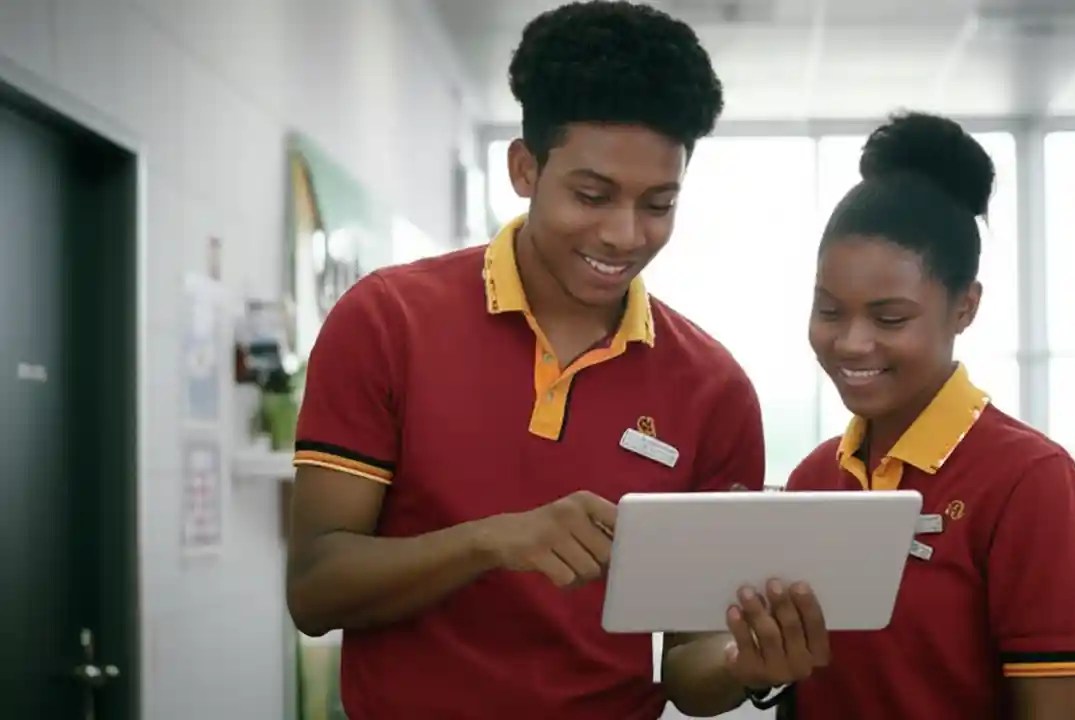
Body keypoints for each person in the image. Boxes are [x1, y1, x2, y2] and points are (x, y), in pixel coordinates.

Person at [283, 2, 817, 718]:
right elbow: (316, 587)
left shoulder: (712, 389)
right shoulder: (386, 322)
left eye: (658, 203)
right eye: (592, 196)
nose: (625, 234)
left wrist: (743, 662)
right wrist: (493, 541)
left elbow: (687, 665)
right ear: (525, 168)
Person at [774, 112, 1075, 718]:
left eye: (889, 319)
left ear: (965, 307)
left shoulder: (1030, 482)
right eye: (829, 311)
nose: (851, 343)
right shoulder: (814, 479)